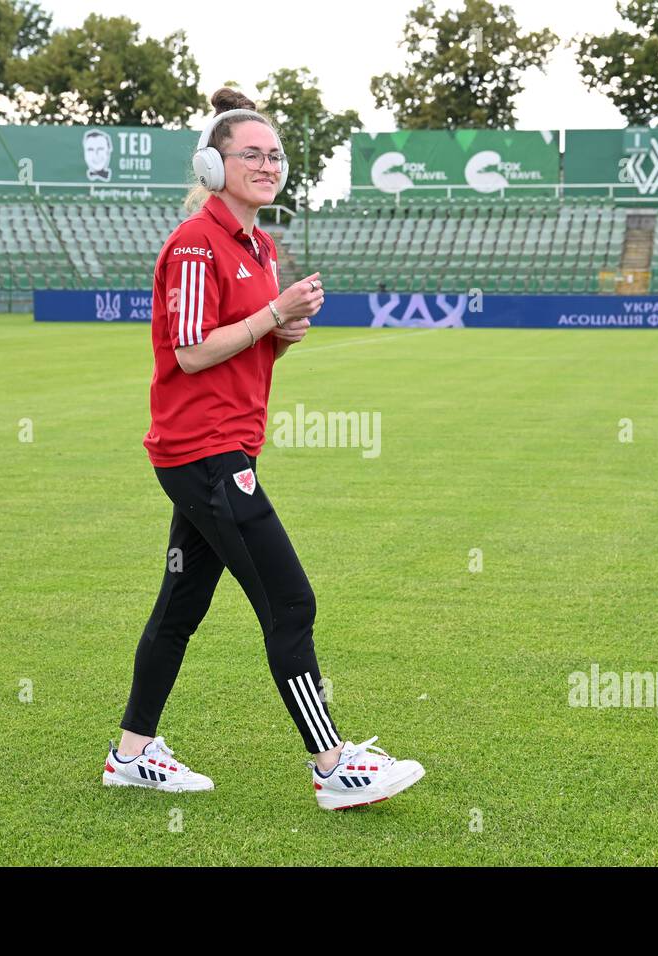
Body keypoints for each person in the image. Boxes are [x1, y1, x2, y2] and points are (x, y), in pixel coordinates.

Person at [102, 88, 425, 811]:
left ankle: (131, 753)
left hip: (228, 448)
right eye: (251, 153)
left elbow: (241, 347)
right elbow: (190, 353)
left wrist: (280, 330)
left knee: (180, 606)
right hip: (202, 452)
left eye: (275, 154)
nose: (267, 164)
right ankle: (333, 765)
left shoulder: (260, 245)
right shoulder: (194, 242)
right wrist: (273, 316)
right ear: (213, 166)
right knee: (290, 601)